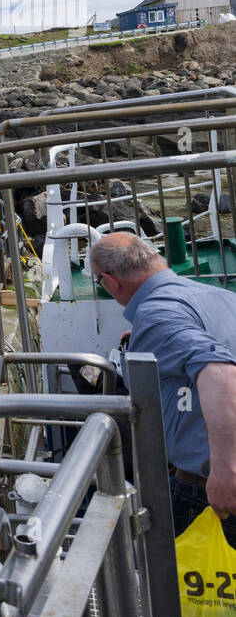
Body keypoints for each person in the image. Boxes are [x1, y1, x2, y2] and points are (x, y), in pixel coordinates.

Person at [88, 232, 236, 543]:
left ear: (111, 283)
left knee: (173, 584)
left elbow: (220, 372)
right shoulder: (221, 297)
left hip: (211, 490)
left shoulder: (159, 315)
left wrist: (226, 470)